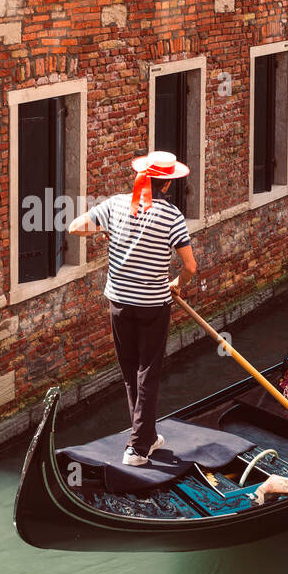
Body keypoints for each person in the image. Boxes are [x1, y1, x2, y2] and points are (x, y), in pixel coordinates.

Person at [69, 152, 197, 466]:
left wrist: (106, 230)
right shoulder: (171, 216)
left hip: (119, 304)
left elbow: (75, 228)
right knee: (148, 374)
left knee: (131, 374)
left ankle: (147, 437)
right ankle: (138, 449)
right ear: (166, 183)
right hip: (153, 305)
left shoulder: (114, 205)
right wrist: (178, 282)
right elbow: (190, 265)